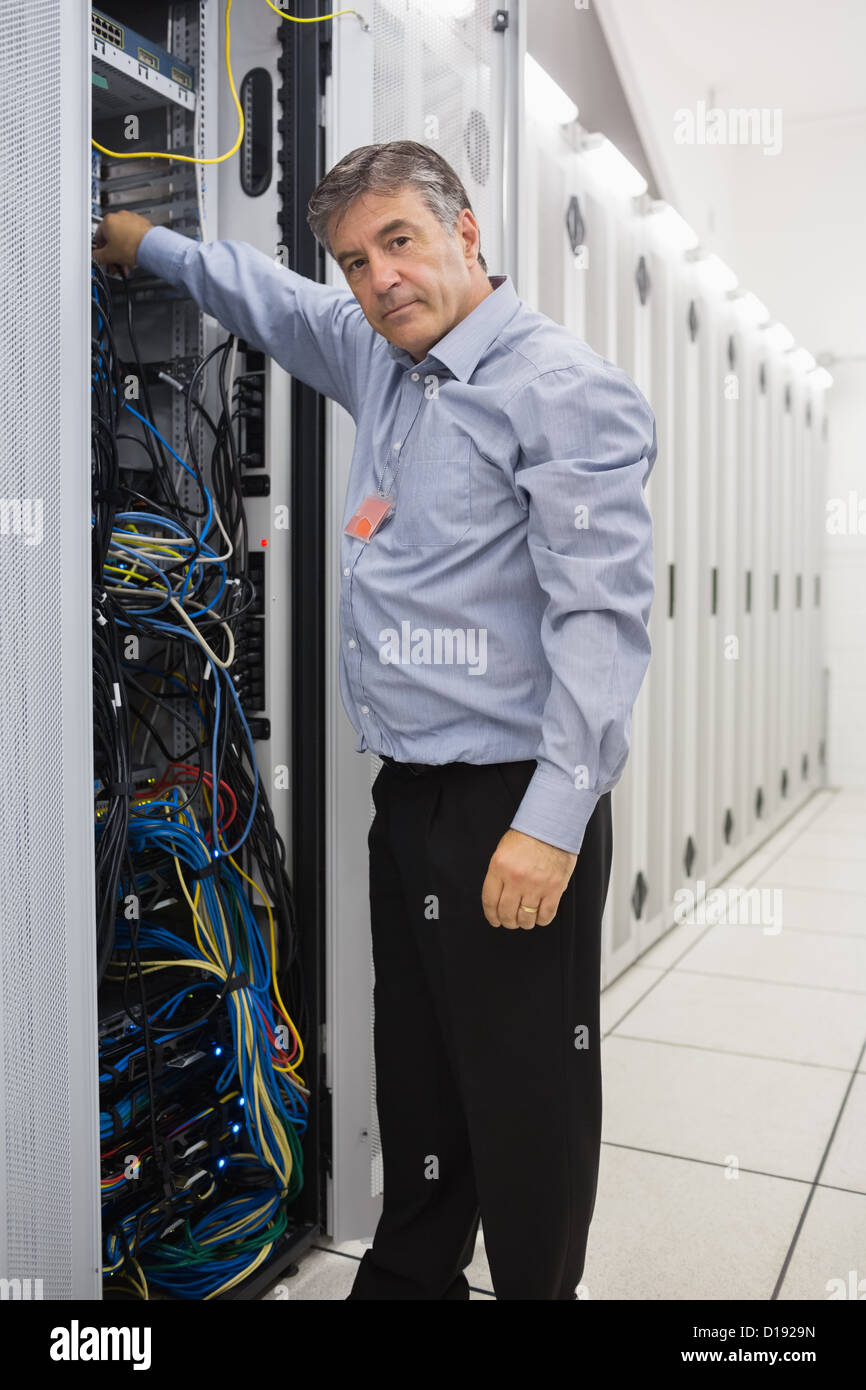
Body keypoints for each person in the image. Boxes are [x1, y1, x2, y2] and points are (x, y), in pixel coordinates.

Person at [93, 139, 658, 1301]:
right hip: (409, 796)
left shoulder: (557, 388)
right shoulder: (383, 354)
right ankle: (408, 1279)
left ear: (465, 233)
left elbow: (602, 621)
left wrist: (550, 824)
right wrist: (139, 242)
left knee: (523, 1097)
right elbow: (275, 302)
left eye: (398, 242)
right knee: (421, 1074)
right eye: (355, 259)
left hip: (514, 799)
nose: (376, 278)